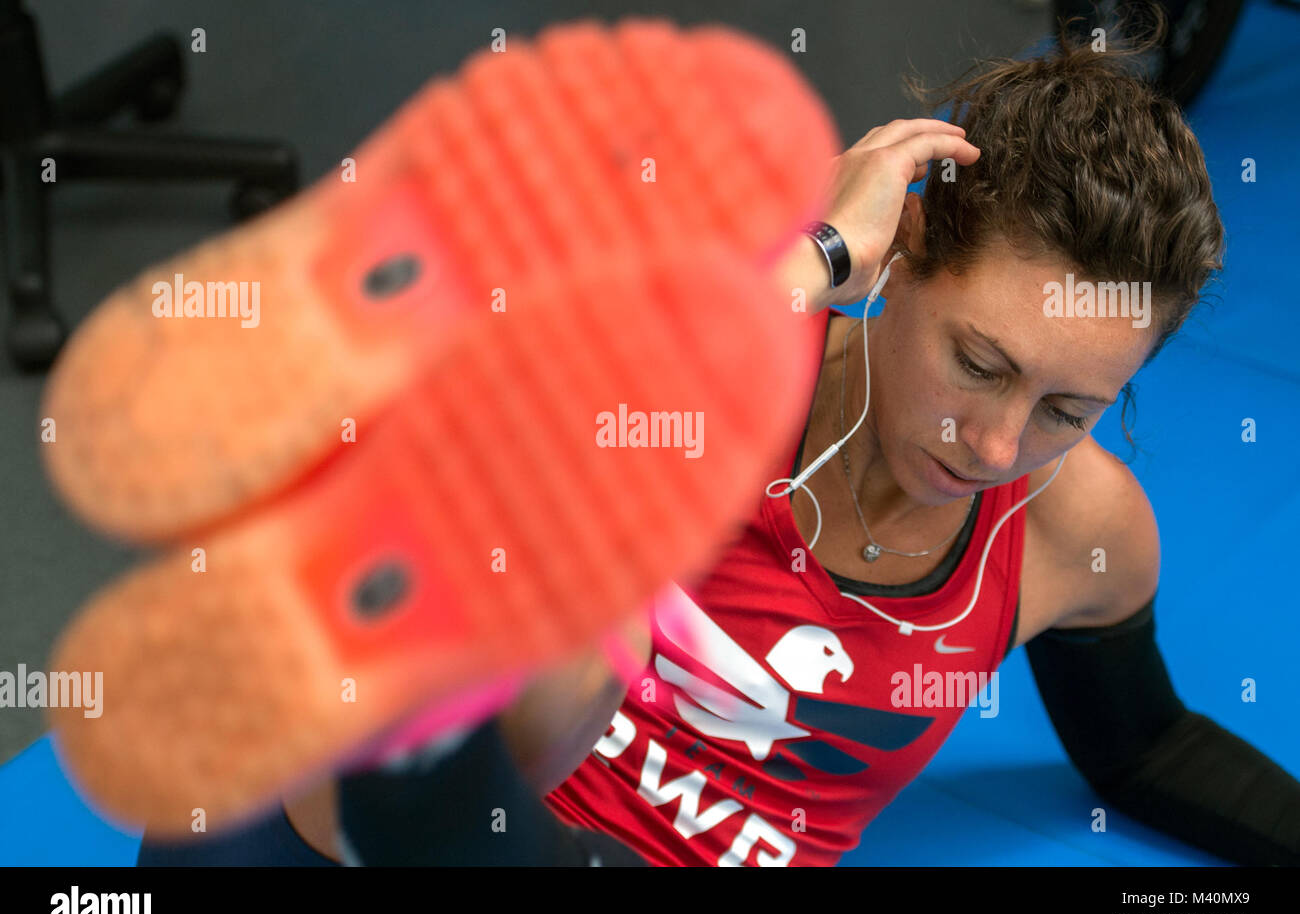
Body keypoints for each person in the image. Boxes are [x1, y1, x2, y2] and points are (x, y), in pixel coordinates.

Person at [145, 26, 1300, 866]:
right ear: (897, 258)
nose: (997, 442)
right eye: (979, 363)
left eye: (1068, 409)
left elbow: (1146, 751)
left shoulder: (1074, 530)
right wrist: (806, 260)